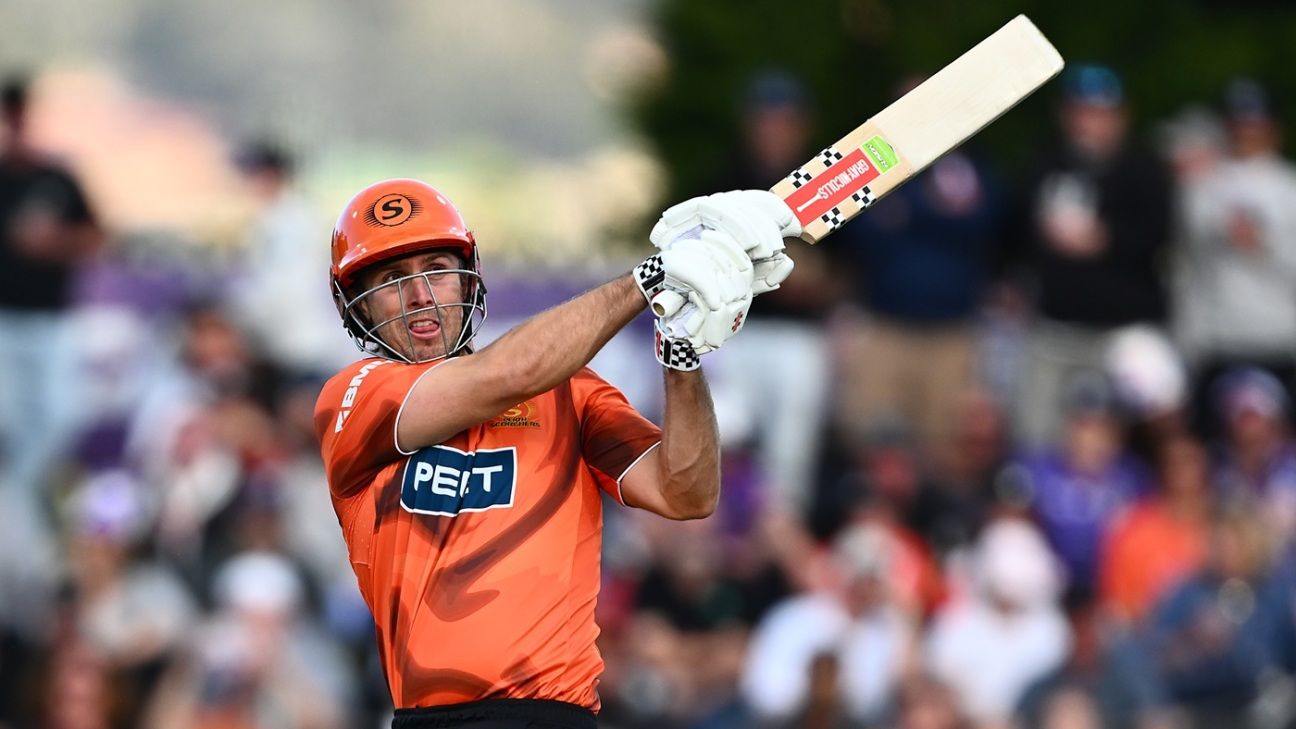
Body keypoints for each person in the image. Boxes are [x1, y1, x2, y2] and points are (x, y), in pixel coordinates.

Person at [313, 178, 799, 728]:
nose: (420, 295)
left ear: (468, 278)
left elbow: (686, 492)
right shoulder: (353, 398)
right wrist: (654, 275)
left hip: (558, 716)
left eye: (436, 269)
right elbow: (508, 373)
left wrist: (681, 352)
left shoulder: (571, 392)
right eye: (391, 279)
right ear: (356, 306)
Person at [1003, 64, 1175, 447]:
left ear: (1121, 116)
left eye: (1100, 112)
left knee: (1141, 430)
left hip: (1123, 330)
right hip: (1055, 327)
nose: (1090, 122)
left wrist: (1106, 238)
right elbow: (1013, 235)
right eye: (1082, 111)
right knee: (1036, 434)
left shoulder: (1143, 168)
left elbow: (1162, 235)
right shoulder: (1044, 164)